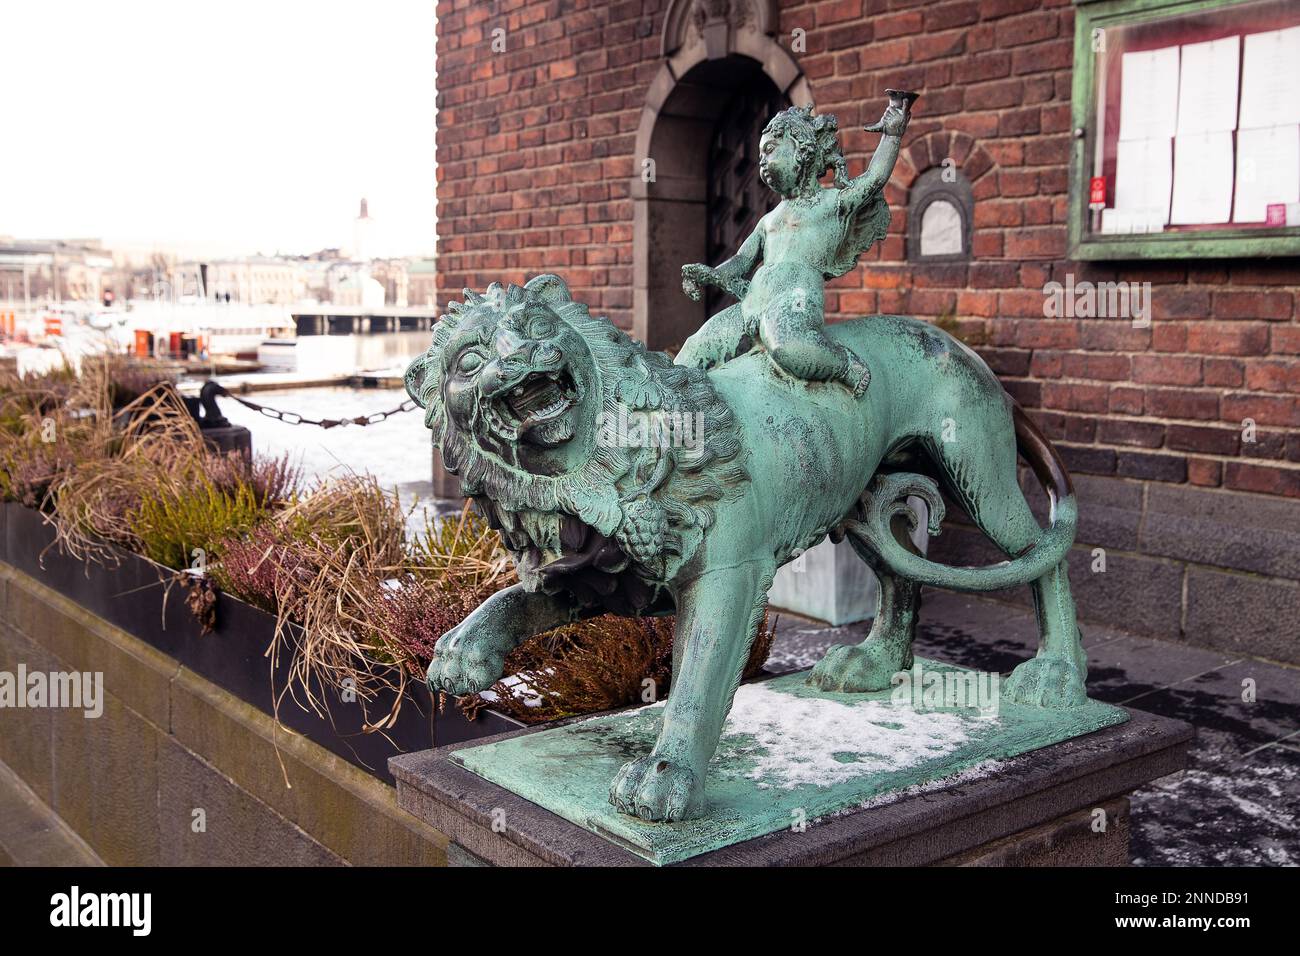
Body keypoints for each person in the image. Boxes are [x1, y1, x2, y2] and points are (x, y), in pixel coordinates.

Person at [678, 92, 917, 396]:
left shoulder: (832, 203)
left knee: (787, 346)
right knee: (694, 350)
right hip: (751, 306)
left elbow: (874, 179)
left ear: (802, 151)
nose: (762, 161)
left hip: (793, 301)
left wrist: (892, 134)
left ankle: (845, 365)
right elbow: (741, 261)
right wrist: (708, 274)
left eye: (770, 150)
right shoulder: (769, 220)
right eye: (760, 155)